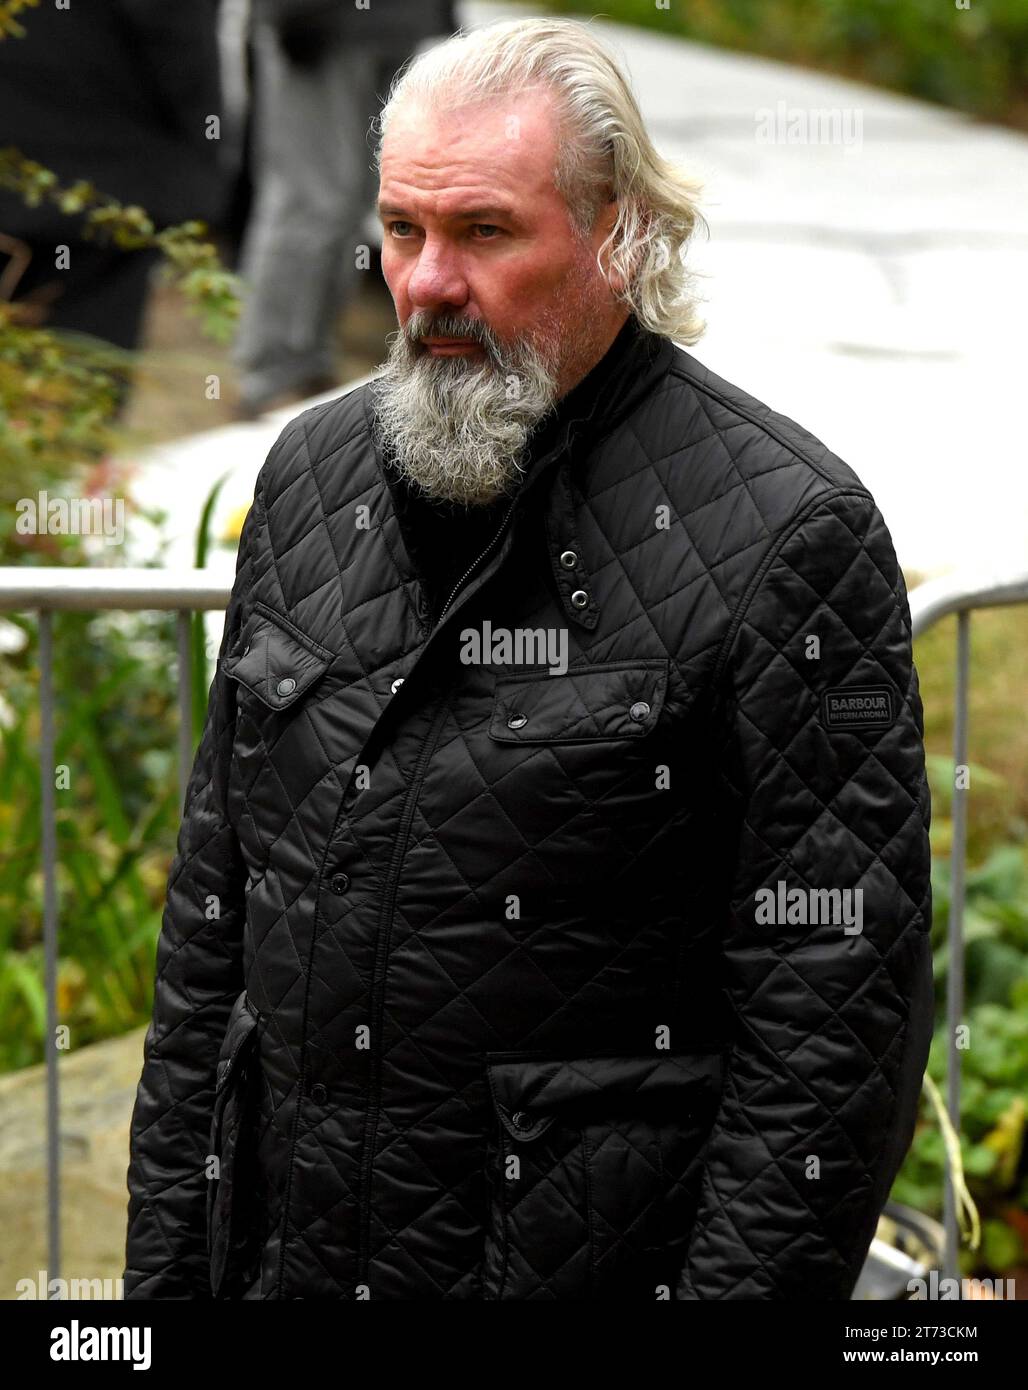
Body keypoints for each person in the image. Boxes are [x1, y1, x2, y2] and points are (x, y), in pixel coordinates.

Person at [124, 16, 934, 1300]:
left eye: (485, 232)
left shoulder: (785, 532)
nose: (428, 282)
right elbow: (206, 937)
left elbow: (827, 1030)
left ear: (619, 234)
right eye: (401, 230)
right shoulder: (306, 475)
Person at [233, 0, 456, 416]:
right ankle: (273, 376)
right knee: (312, 203)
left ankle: (304, 369)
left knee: (356, 202)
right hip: (321, 23)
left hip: (385, 23)